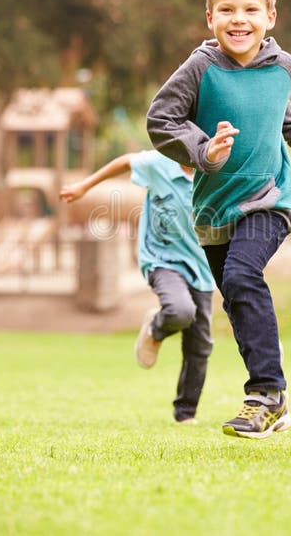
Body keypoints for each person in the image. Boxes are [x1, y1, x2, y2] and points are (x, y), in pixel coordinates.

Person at [146, 0, 291, 439]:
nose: (238, 19)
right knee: (238, 299)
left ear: (270, 16)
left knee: (244, 275)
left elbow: (281, 108)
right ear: (209, 16)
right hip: (212, 207)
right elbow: (161, 119)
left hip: (269, 199)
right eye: (227, 9)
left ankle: (265, 393)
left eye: (250, 10)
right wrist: (204, 150)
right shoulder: (201, 67)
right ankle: (275, 400)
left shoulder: (282, 65)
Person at [60, 150, 215, 425]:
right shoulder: (160, 165)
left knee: (200, 344)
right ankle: (156, 328)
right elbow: (124, 161)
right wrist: (84, 186)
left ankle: (185, 413)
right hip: (162, 259)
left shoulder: (214, 174)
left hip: (202, 267)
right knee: (180, 311)